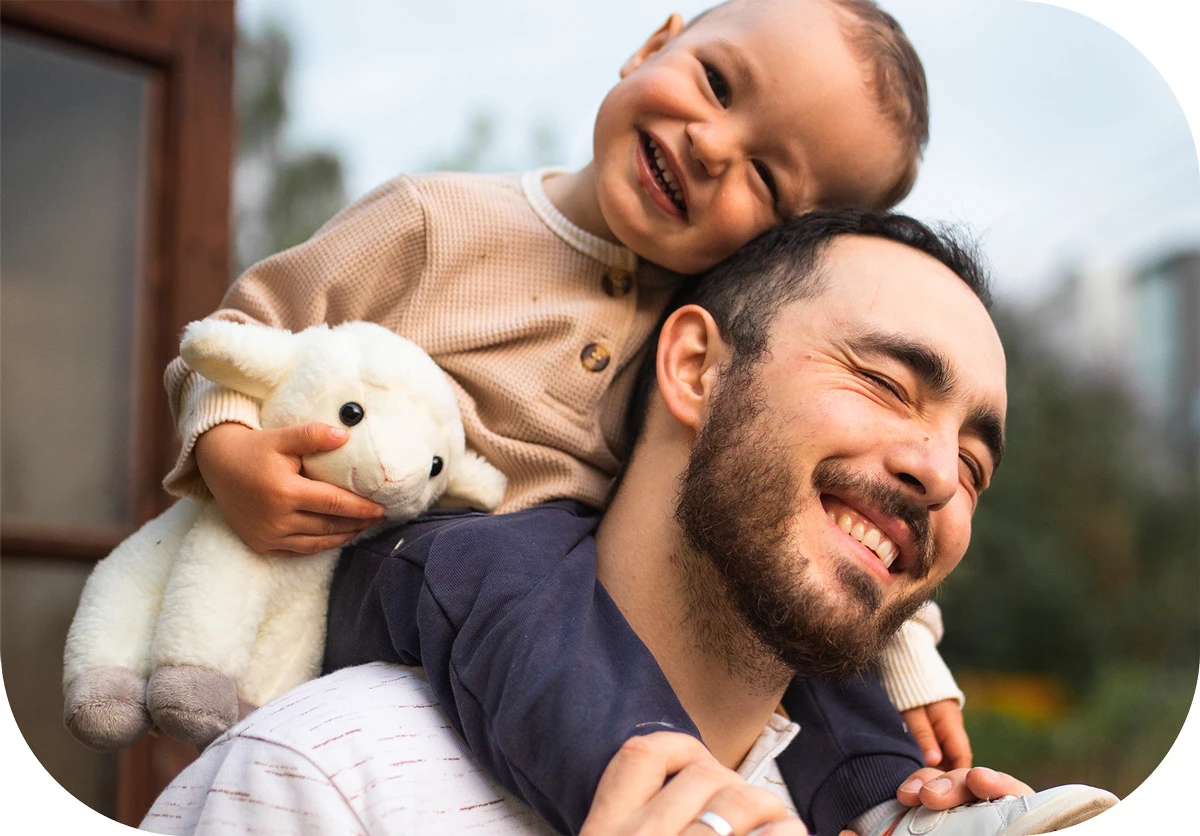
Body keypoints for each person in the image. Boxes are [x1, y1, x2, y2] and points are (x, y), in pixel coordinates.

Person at [160, 0, 966, 828]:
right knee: (512, 577)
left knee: (788, 627)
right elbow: (235, 334)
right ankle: (654, 795)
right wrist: (229, 448)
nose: (713, 145)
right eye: (717, 83)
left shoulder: (709, 324)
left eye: (765, 177)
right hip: (402, 559)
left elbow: (809, 511)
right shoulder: (434, 221)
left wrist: (908, 663)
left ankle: (902, 809)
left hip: (569, 591)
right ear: (654, 44)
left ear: (776, 246)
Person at [143, 210, 1119, 836]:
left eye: (977, 467)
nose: (941, 475)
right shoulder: (317, 783)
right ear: (695, 367)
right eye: (880, 380)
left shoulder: (855, 798)